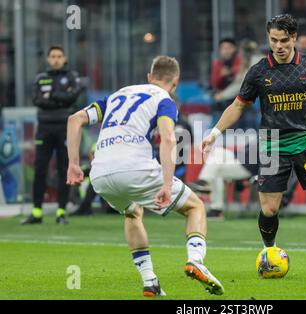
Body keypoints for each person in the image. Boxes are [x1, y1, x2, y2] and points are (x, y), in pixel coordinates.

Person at [201, 14, 306, 276]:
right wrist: (215, 132)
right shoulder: (259, 71)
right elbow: (238, 105)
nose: (279, 46)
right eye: (273, 40)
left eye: (284, 40)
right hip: (272, 145)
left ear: (294, 38)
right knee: (269, 208)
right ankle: (269, 254)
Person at [66, 56, 224, 297]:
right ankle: (196, 260)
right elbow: (169, 139)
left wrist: (74, 164)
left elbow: (75, 119)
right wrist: (167, 183)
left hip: (100, 173)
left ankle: (150, 281)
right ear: (176, 82)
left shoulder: (117, 95)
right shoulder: (165, 100)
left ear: (149, 77)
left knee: (133, 212)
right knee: (195, 208)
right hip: (135, 167)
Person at [22, 46, 82, 225]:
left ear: (64, 58)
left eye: (59, 56)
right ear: (48, 59)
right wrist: (60, 98)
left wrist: (52, 96)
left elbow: (72, 98)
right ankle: (36, 212)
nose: (56, 59)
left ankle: (61, 212)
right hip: (44, 128)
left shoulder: (71, 76)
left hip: (65, 127)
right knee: (40, 169)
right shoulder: (41, 78)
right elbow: (37, 100)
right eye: (53, 56)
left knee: (65, 169)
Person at [189, 137, 259, 218]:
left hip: (247, 168)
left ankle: (216, 209)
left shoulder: (273, 138)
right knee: (218, 151)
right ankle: (204, 182)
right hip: (237, 157)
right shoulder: (264, 131)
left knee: (215, 171)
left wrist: (251, 178)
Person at [210, 38, 241, 126]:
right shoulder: (217, 64)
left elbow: (241, 79)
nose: (226, 51)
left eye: (229, 48)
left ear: (235, 49)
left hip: (239, 97)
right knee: (216, 104)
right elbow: (215, 84)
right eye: (223, 48)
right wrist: (222, 76)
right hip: (222, 98)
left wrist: (231, 72)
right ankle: (216, 132)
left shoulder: (240, 62)